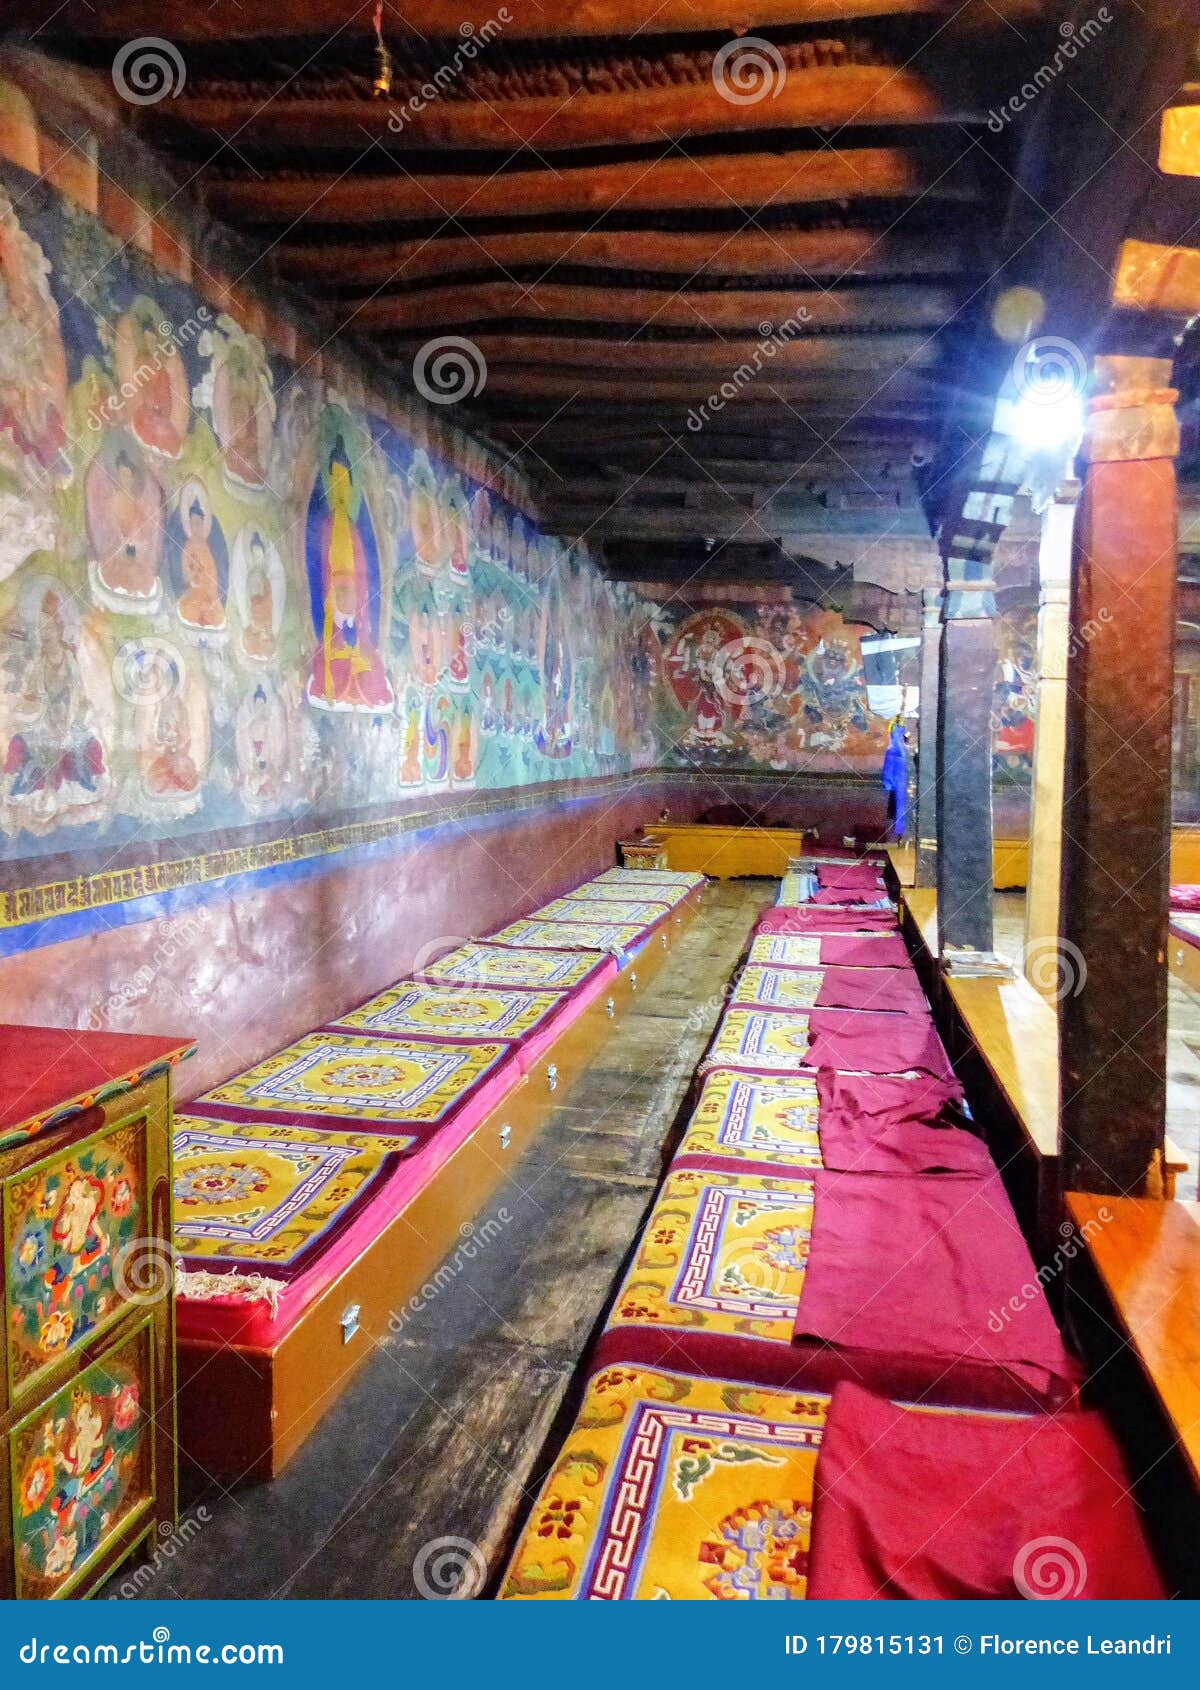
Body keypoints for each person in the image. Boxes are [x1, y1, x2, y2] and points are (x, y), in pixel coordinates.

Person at [882, 715, 910, 840]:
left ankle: (900, 831)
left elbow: (887, 767)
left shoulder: (895, 747)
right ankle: (900, 831)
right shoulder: (896, 747)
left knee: (900, 805)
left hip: (899, 777)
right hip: (900, 776)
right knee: (900, 805)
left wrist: (888, 783)